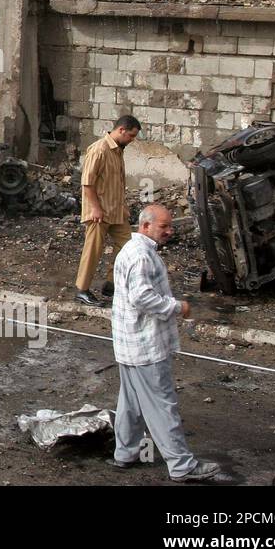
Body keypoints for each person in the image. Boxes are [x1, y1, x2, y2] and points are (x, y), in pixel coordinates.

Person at [107, 204, 220, 483]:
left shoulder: (132, 251)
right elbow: (142, 298)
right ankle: (181, 465)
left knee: (131, 402)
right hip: (145, 346)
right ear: (145, 226)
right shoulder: (142, 256)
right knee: (161, 404)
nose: (170, 231)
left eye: (171, 226)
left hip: (129, 344)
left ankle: (125, 453)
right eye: (164, 226)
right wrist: (177, 307)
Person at [75, 115, 140, 307]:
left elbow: (116, 183)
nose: (132, 140)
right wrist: (95, 208)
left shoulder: (118, 150)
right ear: (121, 130)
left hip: (116, 211)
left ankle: (112, 284)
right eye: (131, 135)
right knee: (93, 251)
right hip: (99, 212)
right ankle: (82, 290)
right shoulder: (99, 150)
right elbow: (87, 184)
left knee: (127, 245)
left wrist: (124, 207)